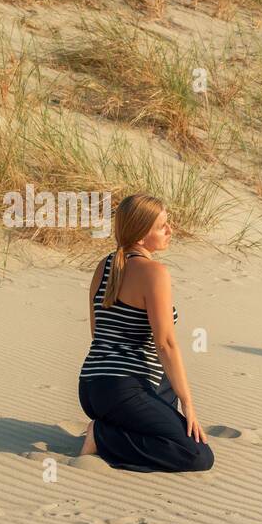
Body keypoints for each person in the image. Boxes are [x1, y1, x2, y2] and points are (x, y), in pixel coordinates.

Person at [77, 193, 213, 472]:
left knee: (164, 387)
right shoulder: (154, 272)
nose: (170, 230)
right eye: (162, 226)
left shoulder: (104, 266)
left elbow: (96, 331)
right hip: (120, 388)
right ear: (141, 235)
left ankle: (113, 424)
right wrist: (188, 403)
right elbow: (165, 344)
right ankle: (102, 436)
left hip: (91, 385)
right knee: (197, 455)